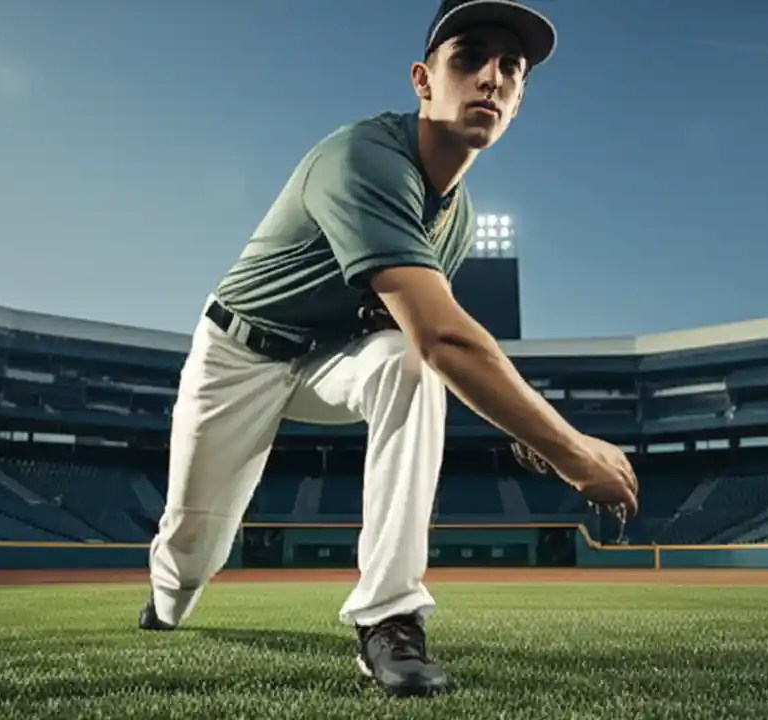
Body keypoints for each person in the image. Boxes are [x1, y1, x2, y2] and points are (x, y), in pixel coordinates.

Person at [140, 0, 639, 698]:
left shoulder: (457, 222)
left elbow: (419, 344)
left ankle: (390, 617)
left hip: (327, 360)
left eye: (510, 67)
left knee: (407, 368)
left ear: (520, 100)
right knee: (194, 556)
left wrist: (524, 424)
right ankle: (165, 596)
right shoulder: (364, 156)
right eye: (468, 57)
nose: (491, 77)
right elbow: (446, 337)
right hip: (239, 354)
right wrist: (571, 450)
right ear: (422, 80)